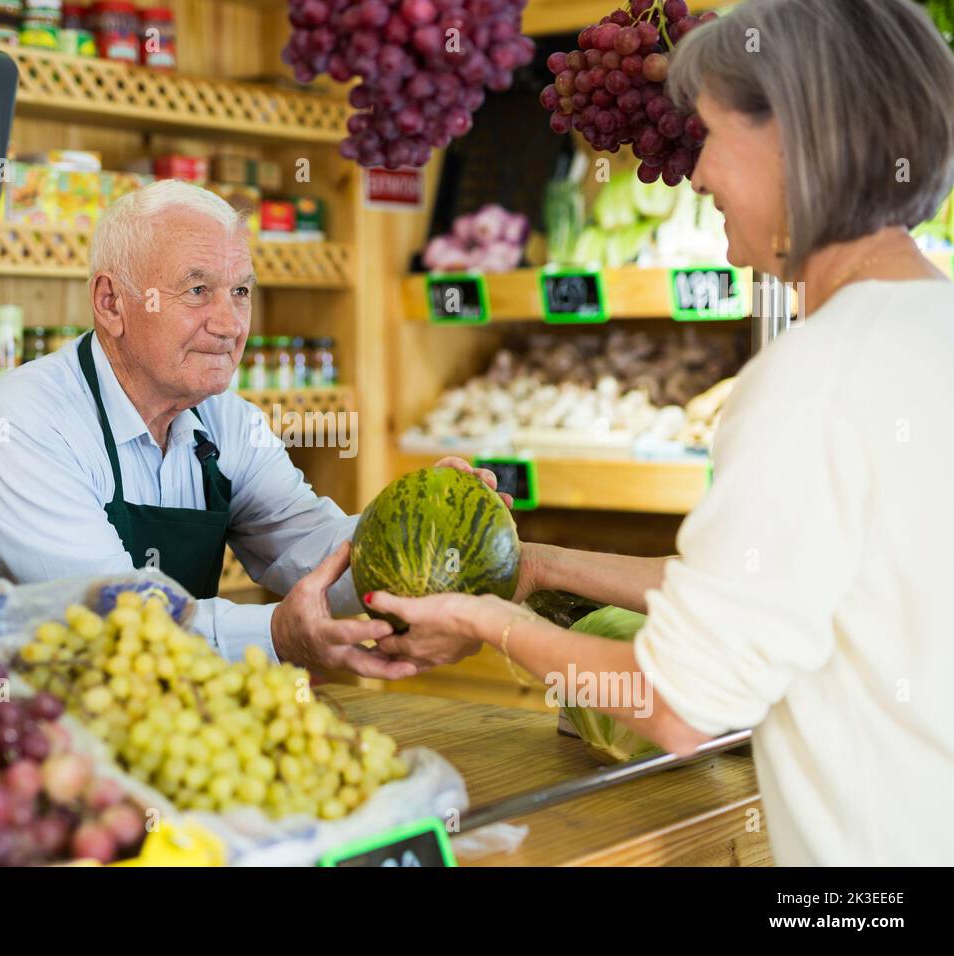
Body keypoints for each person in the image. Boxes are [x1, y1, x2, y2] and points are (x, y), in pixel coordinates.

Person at [364, 0, 954, 866]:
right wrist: (536, 569)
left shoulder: (811, 377)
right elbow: (770, 588)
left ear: (799, 134)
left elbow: (677, 704)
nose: (699, 169)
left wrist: (488, 622)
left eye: (712, 131)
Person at [0, 179, 505, 679]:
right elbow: (116, 622)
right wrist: (278, 635)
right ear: (111, 302)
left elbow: (310, 548)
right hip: (10, 731)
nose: (229, 324)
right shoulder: (25, 423)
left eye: (240, 292)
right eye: (197, 291)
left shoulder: (228, 422)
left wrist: (417, 531)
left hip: (159, 713)